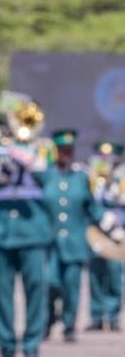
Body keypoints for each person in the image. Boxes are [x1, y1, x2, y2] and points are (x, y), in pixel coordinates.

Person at [0, 101, 52, 357]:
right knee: (1, 292)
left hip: (32, 230)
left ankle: (32, 344)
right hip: (2, 230)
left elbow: (51, 183)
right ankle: (6, 344)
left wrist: (28, 160)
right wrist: (3, 167)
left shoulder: (43, 150)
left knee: (36, 290)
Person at [44, 128, 117, 343]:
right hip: (51, 241)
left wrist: (110, 223)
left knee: (71, 288)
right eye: (62, 149)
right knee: (51, 284)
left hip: (75, 243)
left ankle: (69, 326)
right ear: (55, 151)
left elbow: (91, 208)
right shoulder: (46, 175)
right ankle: (48, 320)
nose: (66, 153)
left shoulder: (81, 177)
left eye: (69, 149)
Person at [87, 140, 124, 331]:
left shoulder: (122, 177)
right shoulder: (93, 177)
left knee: (115, 274)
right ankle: (96, 316)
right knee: (96, 274)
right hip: (97, 231)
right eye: (103, 157)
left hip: (118, 232)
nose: (107, 160)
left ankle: (113, 315)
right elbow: (91, 201)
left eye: (111, 157)